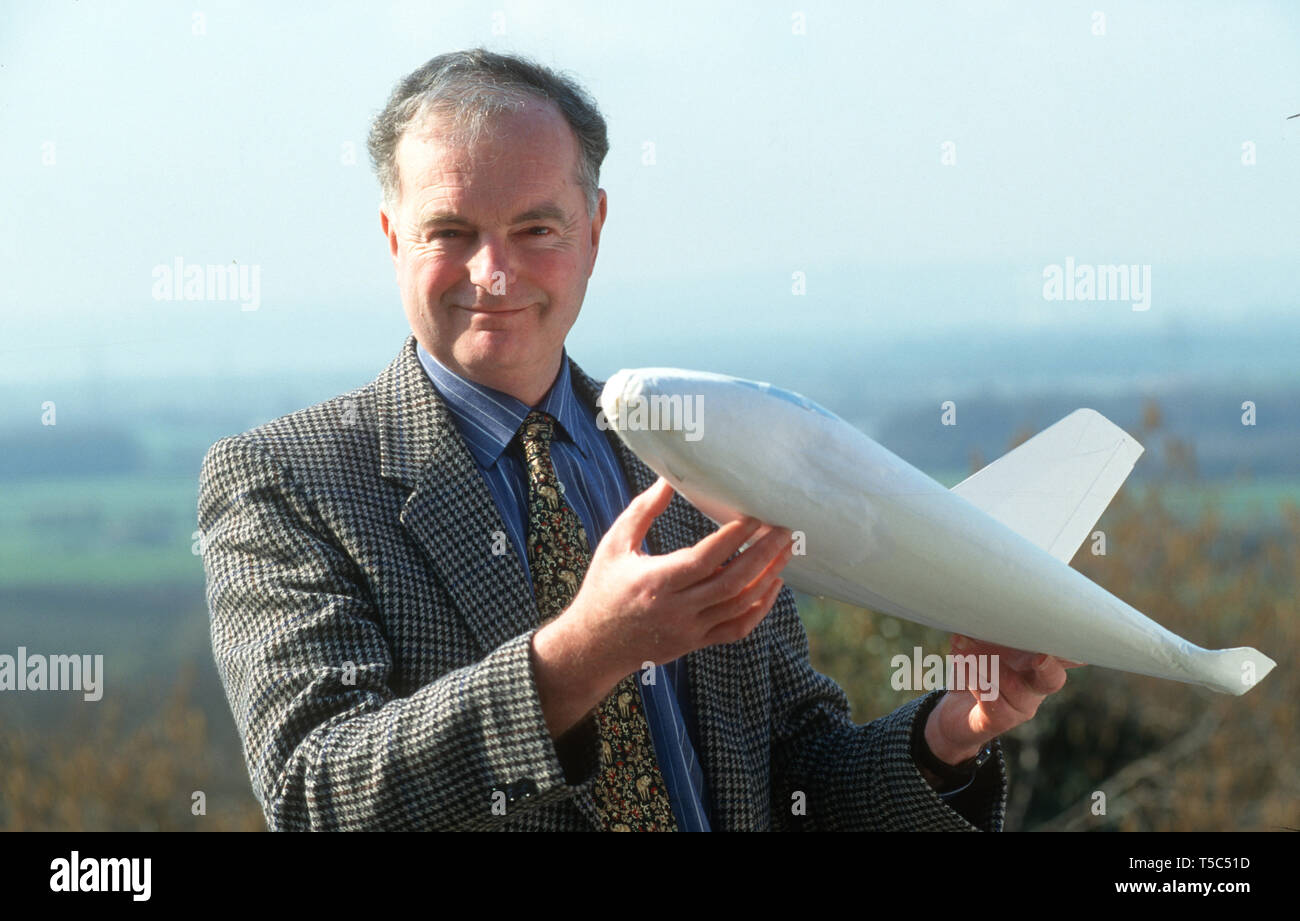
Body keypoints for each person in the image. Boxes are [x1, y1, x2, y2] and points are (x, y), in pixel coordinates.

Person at [198, 47, 1078, 831]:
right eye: (451, 232)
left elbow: (797, 777)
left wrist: (949, 729)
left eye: (535, 229)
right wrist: (588, 651)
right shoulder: (284, 480)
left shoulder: (694, 453)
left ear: (594, 230)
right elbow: (317, 790)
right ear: (393, 237)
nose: (493, 273)